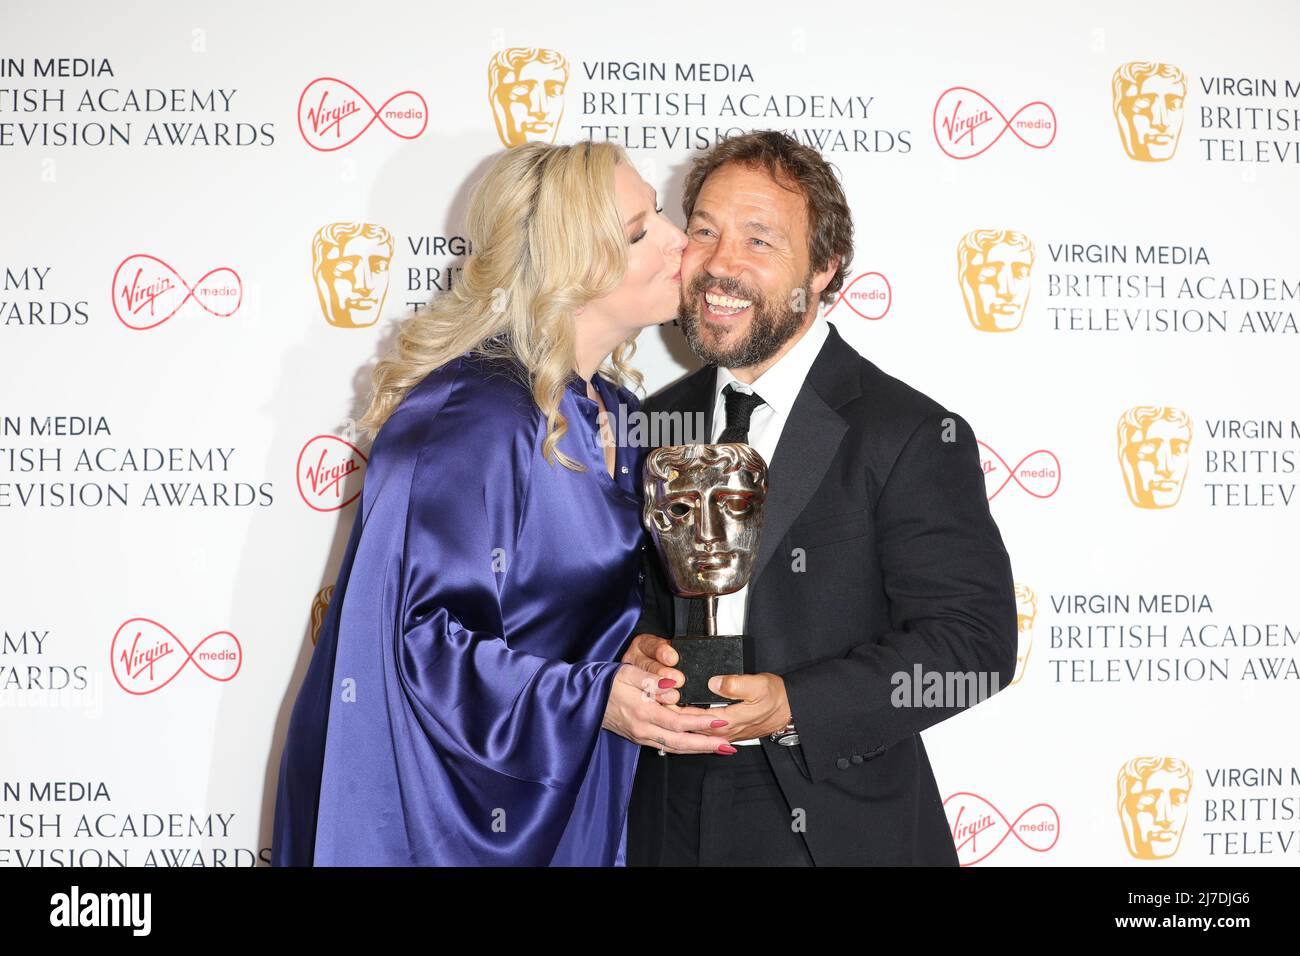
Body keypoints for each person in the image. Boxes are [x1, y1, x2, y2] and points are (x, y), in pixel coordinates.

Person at [271, 140, 732, 867]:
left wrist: (626, 659)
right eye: (641, 231)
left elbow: (563, 616)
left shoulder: (620, 413)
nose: (682, 243)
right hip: (454, 827)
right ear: (571, 266)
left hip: (572, 800)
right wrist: (592, 699)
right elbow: (412, 642)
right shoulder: (470, 415)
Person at [622, 130, 1019, 866]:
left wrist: (795, 705)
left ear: (825, 268)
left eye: (759, 241)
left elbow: (975, 644)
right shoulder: (646, 425)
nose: (719, 264)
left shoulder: (906, 433)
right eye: (704, 231)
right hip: (661, 821)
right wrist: (633, 653)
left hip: (836, 826)